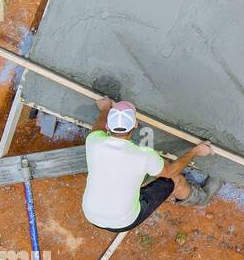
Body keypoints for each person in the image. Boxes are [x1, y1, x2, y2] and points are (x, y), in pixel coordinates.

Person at [81, 97, 214, 232]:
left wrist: (104, 109)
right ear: (135, 125)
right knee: (174, 179)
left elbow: (98, 126)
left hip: (92, 215)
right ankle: (200, 200)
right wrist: (196, 151)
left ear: (108, 126)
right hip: (123, 221)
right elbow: (170, 171)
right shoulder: (143, 155)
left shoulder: (94, 141)